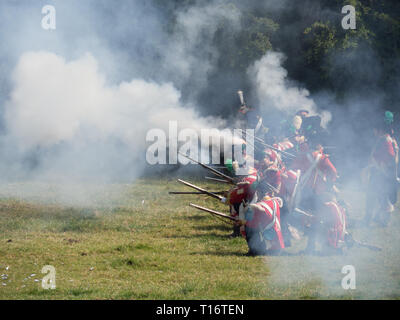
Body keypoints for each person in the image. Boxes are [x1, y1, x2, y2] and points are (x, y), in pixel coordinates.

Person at [364, 111, 399, 226]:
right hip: (379, 173)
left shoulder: (386, 141)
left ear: (380, 129)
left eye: (375, 129)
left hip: (382, 174)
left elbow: (390, 158)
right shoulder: (384, 139)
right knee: (375, 196)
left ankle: (382, 220)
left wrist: (380, 168)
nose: (373, 131)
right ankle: (373, 218)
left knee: (382, 198)